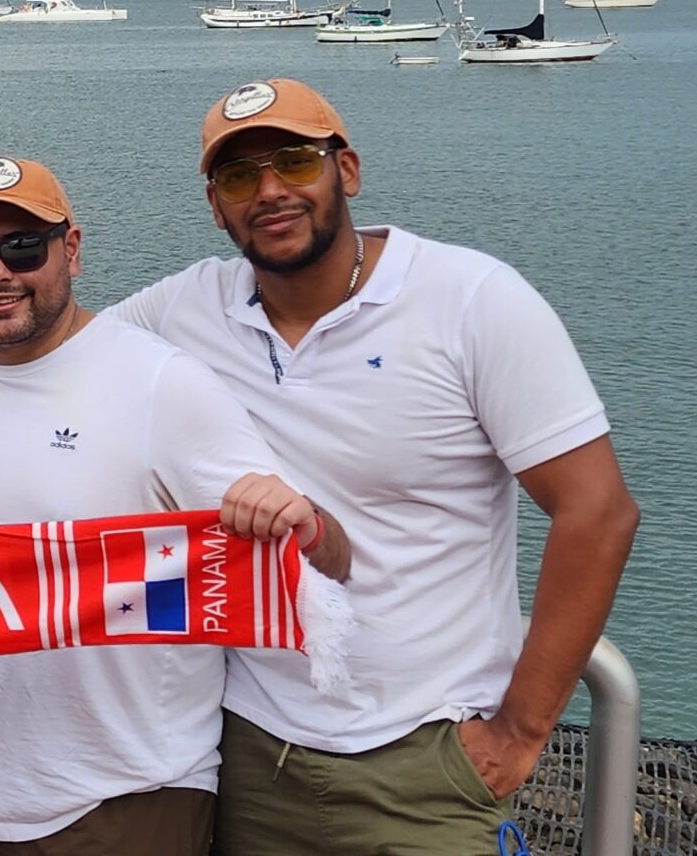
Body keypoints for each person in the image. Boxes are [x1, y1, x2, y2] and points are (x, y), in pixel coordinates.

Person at [105, 78, 639, 853]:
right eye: (238, 177)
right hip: (249, 753)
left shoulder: (471, 300)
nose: (270, 191)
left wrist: (521, 731)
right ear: (215, 207)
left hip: (429, 760)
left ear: (345, 170)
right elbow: (54, 357)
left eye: (294, 161)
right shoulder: (188, 309)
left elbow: (597, 511)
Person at [0, 155, 349, 856]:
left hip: (130, 794)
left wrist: (302, 520)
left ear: (71, 248)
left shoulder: (163, 383)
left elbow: (330, 559)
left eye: (23, 247)